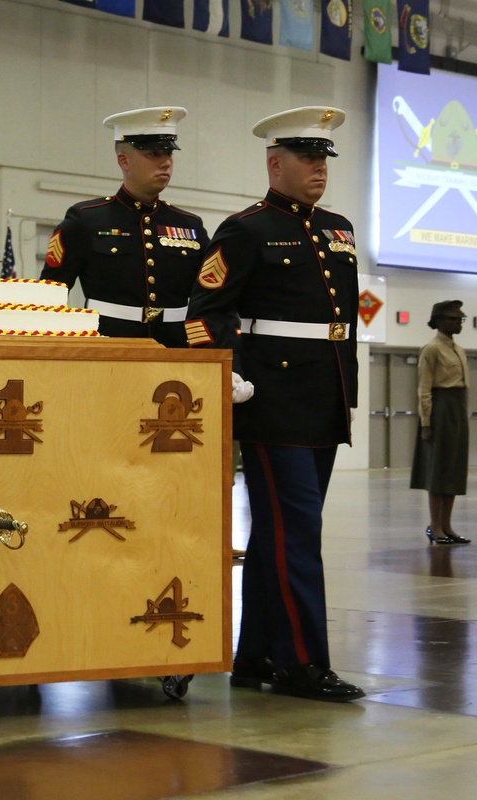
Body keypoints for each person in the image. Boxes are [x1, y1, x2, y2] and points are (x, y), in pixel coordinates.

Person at [185, 107, 365, 702]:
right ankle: (303, 662)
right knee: (297, 533)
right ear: (274, 162)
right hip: (272, 400)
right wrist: (233, 374)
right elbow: (206, 315)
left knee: (278, 534)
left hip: (324, 397)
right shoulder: (246, 229)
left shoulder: (339, 228)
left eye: (324, 158)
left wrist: (351, 392)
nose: (319, 168)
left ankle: (256, 653)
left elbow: (342, 324)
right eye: (307, 157)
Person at [40, 106, 208, 347]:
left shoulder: (189, 225)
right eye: (154, 154)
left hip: (176, 347)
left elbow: (210, 297)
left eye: (169, 154)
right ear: (124, 160)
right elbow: (51, 294)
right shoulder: (87, 220)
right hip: (108, 344)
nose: (165, 163)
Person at [411, 300, 471, 545]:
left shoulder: (459, 349)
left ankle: (447, 525)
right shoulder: (431, 349)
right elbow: (424, 389)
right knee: (438, 471)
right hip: (440, 410)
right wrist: (427, 422)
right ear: (438, 321)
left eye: (461, 319)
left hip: (457, 409)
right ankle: (435, 527)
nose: (458, 323)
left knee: (454, 470)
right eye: (453, 318)